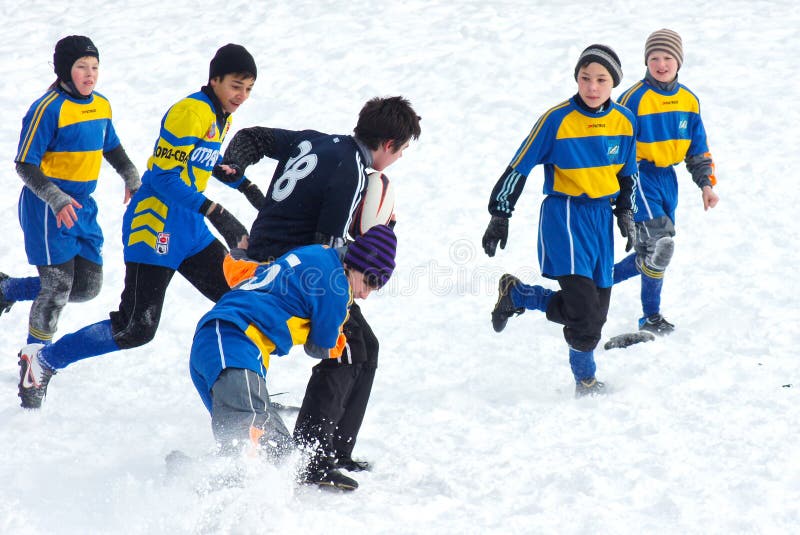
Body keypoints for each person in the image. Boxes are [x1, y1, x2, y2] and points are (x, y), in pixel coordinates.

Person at [17, 43, 262, 409]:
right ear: (215, 80)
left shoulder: (219, 113)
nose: (241, 96)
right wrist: (216, 211)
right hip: (154, 228)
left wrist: (250, 189)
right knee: (136, 327)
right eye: (235, 86)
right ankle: (44, 360)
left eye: (248, 89)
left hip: (188, 226)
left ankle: (247, 397)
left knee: (242, 302)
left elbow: (197, 162)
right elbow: (163, 177)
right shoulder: (190, 112)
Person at [212, 96, 421, 485]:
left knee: (365, 347)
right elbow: (327, 245)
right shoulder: (356, 173)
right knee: (347, 349)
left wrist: (236, 161)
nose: (398, 159)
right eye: (402, 150)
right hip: (289, 274)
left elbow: (253, 136)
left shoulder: (313, 140)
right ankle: (312, 459)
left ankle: (336, 451)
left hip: (264, 262)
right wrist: (374, 239)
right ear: (389, 144)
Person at [189, 224, 397, 491]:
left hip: (218, 344)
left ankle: (188, 476)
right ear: (356, 263)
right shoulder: (336, 286)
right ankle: (200, 503)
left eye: (376, 288)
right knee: (246, 454)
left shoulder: (319, 253)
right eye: (369, 282)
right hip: (232, 343)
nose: (366, 294)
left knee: (279, 457)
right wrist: (340, 334)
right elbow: (321, 348)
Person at [483, 44, 638, 397]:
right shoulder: (556, 119)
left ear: (613, 82)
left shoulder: (625, 121)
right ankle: (584, 381)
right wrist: (500, 214)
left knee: (594, 318)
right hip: (565, 216)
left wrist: (625, 212)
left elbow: (628, 174)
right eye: (585, 78)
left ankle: (518, 294)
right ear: (577, 79)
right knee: (584, 315)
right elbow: (518, 166)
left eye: (601, 79)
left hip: (600, 219)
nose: (592, 87)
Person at [0, 36, 139, 358]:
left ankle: (6, 289)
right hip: (47, 207)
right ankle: (34, 361)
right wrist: (56, 198)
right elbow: (24, 164)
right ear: (65, 70)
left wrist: (130, 175)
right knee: (58, 286)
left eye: (94, 67)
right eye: (81, 67)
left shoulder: (101, 104)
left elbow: (111, 145)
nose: (90, 74)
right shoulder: (47, 109)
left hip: (82, 208)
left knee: (87, 287)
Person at [612, 29, 719, 334]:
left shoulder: (688, 100)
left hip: (667, 179)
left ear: (678, 61)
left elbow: (697, 149)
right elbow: (614, 145)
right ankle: (650, 316)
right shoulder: (633, 99)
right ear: (646, 61)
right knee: (661, 243)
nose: (661, 63)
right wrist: (615, 191)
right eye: (654, 57)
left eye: (667, 57)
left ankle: (594, 284)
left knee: (651, 252)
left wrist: (706, 185)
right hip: (639, 176)